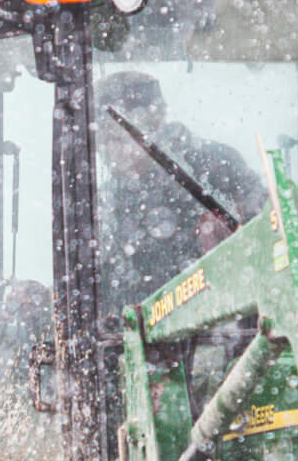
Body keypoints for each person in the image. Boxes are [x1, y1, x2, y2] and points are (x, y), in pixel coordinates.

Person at [92, 69, 265, 310]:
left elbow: (269, 228)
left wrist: (237, 231)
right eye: (102, 141)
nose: (111, 151)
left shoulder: (215, 167)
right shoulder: (106, 203)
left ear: (154, 125)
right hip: (145, 337)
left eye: (120, 138)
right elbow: (101, 288)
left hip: (231, 322)